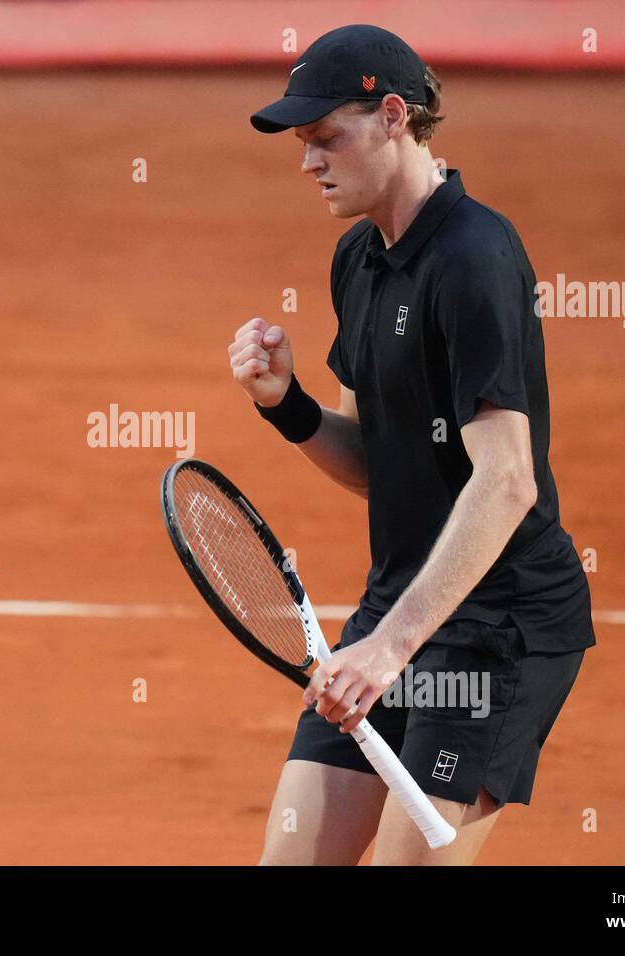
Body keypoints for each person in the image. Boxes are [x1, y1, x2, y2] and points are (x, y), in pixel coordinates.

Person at [231, 24, 595, 865]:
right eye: (301, 143)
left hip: (497, 627)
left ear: (393, 116)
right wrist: (287, 406)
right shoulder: (357, 260)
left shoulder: (475, 259)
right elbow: (377, 466)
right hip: (402, 606)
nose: (308, 161)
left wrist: (390, 648)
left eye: (326, 137)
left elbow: (506, 484)